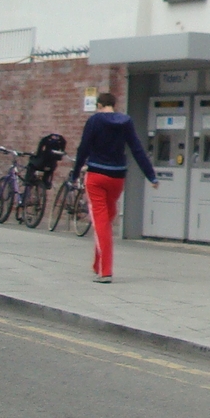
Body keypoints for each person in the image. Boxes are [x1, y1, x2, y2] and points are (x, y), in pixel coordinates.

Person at [70, 92, 158, 283]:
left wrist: (75, 173)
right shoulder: (125, 121)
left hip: (96, 176)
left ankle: (105, 270)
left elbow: (83, 148)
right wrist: (150, 175)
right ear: (114, 104)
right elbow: (136, 148)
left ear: (100, 105)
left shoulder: (94, 121)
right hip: (117, 177)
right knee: (108, 218)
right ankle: (97, 264)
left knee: (100, 220)